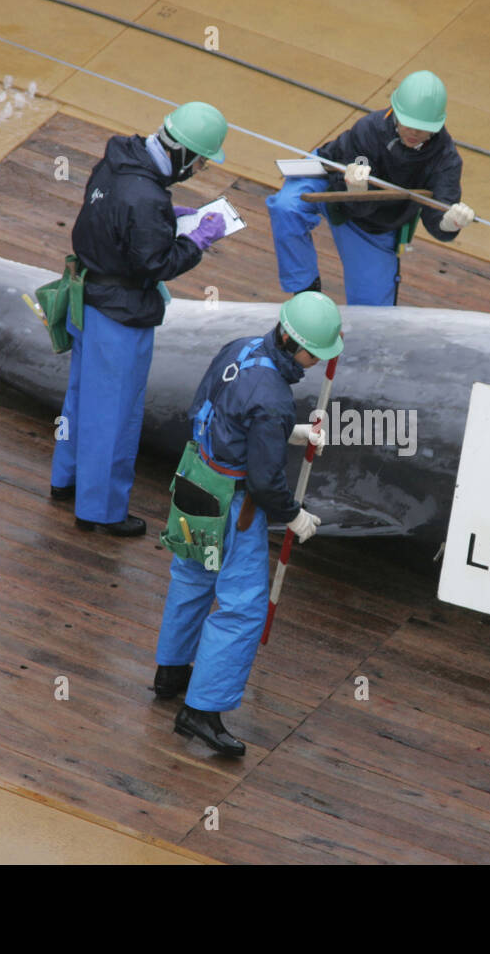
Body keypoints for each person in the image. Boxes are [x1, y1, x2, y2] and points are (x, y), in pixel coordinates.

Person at [152, 291, 344, 756]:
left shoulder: (238, 347)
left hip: (194, 480)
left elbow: (213, 409)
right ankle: (202, 712)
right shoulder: (275, 397)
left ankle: (170, 673)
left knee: (192, 576)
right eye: (314, 354)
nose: (316, 363)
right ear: (292, 342)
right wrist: (293, 515)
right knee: (242, 608)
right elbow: (263, 482)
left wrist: (284, 433)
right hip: (233, 509)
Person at [50, 102, 229, 536]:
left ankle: (66, 480)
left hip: (85, 297)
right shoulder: (147, 197)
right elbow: (155, 264)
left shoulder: (117, 160)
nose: (199, 169)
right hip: (119, 317)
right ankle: (101, 512)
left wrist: (168, 218)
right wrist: (197, 240)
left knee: (79, 399)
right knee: (113, 417)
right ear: (183, 154)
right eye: (201, 161)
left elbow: (118, 218)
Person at [265, 70, 474, 306]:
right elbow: (347, 178)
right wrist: (353, 189)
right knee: (286, 207)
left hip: (373, 221)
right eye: (408, 124)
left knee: (374, 311)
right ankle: (305, 291)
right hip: (329, 173)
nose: (414, 133)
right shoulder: (368, 129)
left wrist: (449, 223)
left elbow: (438, 213)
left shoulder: (446, 160)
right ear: (395, 112)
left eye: (423, 128)